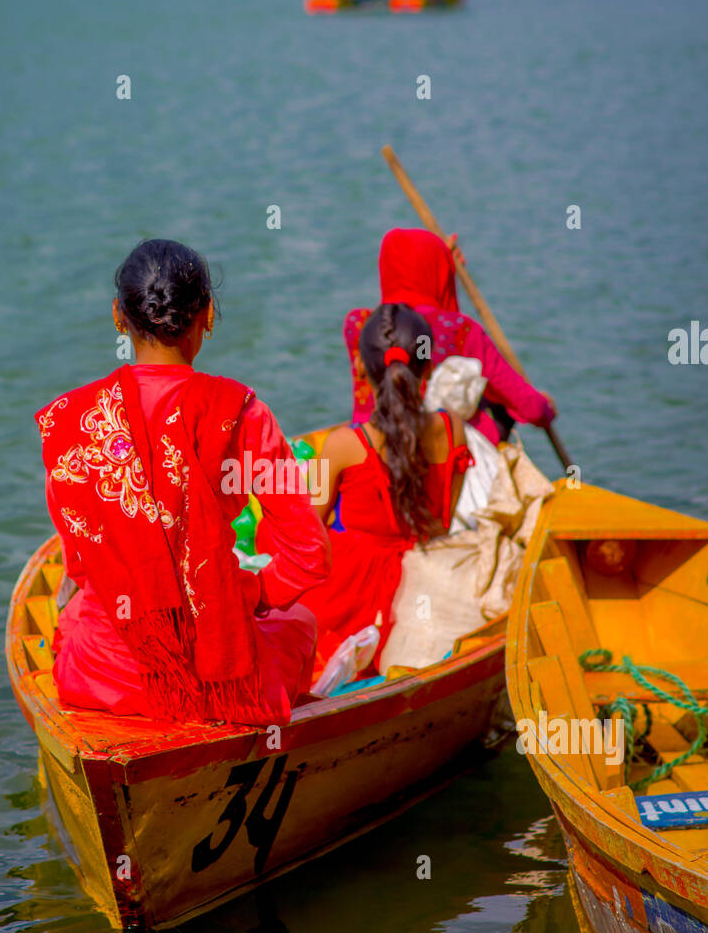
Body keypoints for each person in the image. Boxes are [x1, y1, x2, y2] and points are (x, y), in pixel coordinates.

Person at [37, 238, 330, 726]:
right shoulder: (243, 414)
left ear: (118, 315)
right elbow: (308, 558)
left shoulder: (71, 420)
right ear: (208, 315)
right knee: (299, 625)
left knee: (72, 620)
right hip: (216, 675)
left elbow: (81, 565)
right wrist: (250, 595)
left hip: (106, 671)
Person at [303, 302, 473, 672]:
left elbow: (308, 531)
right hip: (428, 572)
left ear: (361, 368)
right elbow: (443, 521)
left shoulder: (342, 444)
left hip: (355, 593)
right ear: (427, 366)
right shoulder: (453, 428)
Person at [344, 228, 557, 444]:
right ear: (438, 272)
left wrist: (441, 255)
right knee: (494, 399)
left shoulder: (359, 325)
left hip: (370, 442)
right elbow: (532, 409)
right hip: (443, 447)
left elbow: (396, 332)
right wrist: (545, 408)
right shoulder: (458, 329)